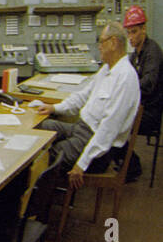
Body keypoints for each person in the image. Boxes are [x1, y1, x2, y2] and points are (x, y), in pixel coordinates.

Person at [34, 21, 139, 190]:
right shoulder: (107, 69)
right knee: (42, 127)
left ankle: (31, 207)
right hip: (81, 129)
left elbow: (109, 128)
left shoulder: (125, 78)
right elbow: (83, 95)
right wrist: (56, 108)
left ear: (113, 42)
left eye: (101, 41)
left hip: (96, 149)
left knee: (44, 155)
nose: (99, 47)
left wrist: (82, 163)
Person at [124, 5, 162, 182]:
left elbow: (147, 85)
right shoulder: (136, 54)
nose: (131, 37)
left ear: (144, 30)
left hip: (149, 113)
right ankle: (126, 160)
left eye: (134, 32)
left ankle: (132, 165)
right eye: (128, 33)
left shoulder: (152, 52)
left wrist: (125, 92)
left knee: (115, 122)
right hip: (138, 107)